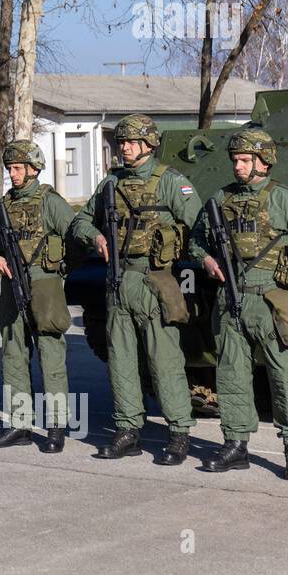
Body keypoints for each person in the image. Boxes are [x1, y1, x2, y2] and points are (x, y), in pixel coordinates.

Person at [190, 129, 288, 480]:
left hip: (270, 300)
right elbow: (197, 240)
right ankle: (235, 445)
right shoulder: (220, 198)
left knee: (283, 376)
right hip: (229, 299)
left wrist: (284, 278)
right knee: (231, 375)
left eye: (245, 160)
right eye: (235, 160)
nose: (238, 165)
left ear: (264, 160)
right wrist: (206, 260)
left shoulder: (284, 199)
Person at [69, 114, 200, 465]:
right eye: (121, 142)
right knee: (121, 360)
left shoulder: (171, 181)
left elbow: (198, 227)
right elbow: (81, 219)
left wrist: (194, 256)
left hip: (156, 280)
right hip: (117, 280)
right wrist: (94, 235)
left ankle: (178, 433)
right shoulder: (111, 183)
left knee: (165, 360)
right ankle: (128, 430)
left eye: (130, 142)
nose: (123, 147)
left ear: (148, 144)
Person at [0, 140, 76, 452]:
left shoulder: (50, 202)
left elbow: (77, 228)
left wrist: (66, 265)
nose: (12, 174)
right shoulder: (3, 207)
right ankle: (20, 424)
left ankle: (56, 427)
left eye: (17, 168)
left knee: (51, 355)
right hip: (11, 287)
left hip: (45, 286)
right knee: (13, 355)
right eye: (10, 169)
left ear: (33, 169)